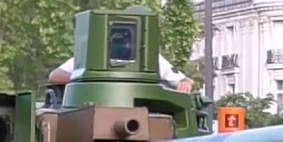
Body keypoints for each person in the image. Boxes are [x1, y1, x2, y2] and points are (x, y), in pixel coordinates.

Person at [47, 55, 195, 93]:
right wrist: (84, 77)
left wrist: (186, 83)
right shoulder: (90, 54)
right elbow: (55, 76)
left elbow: (182, 79)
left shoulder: (150, 57)